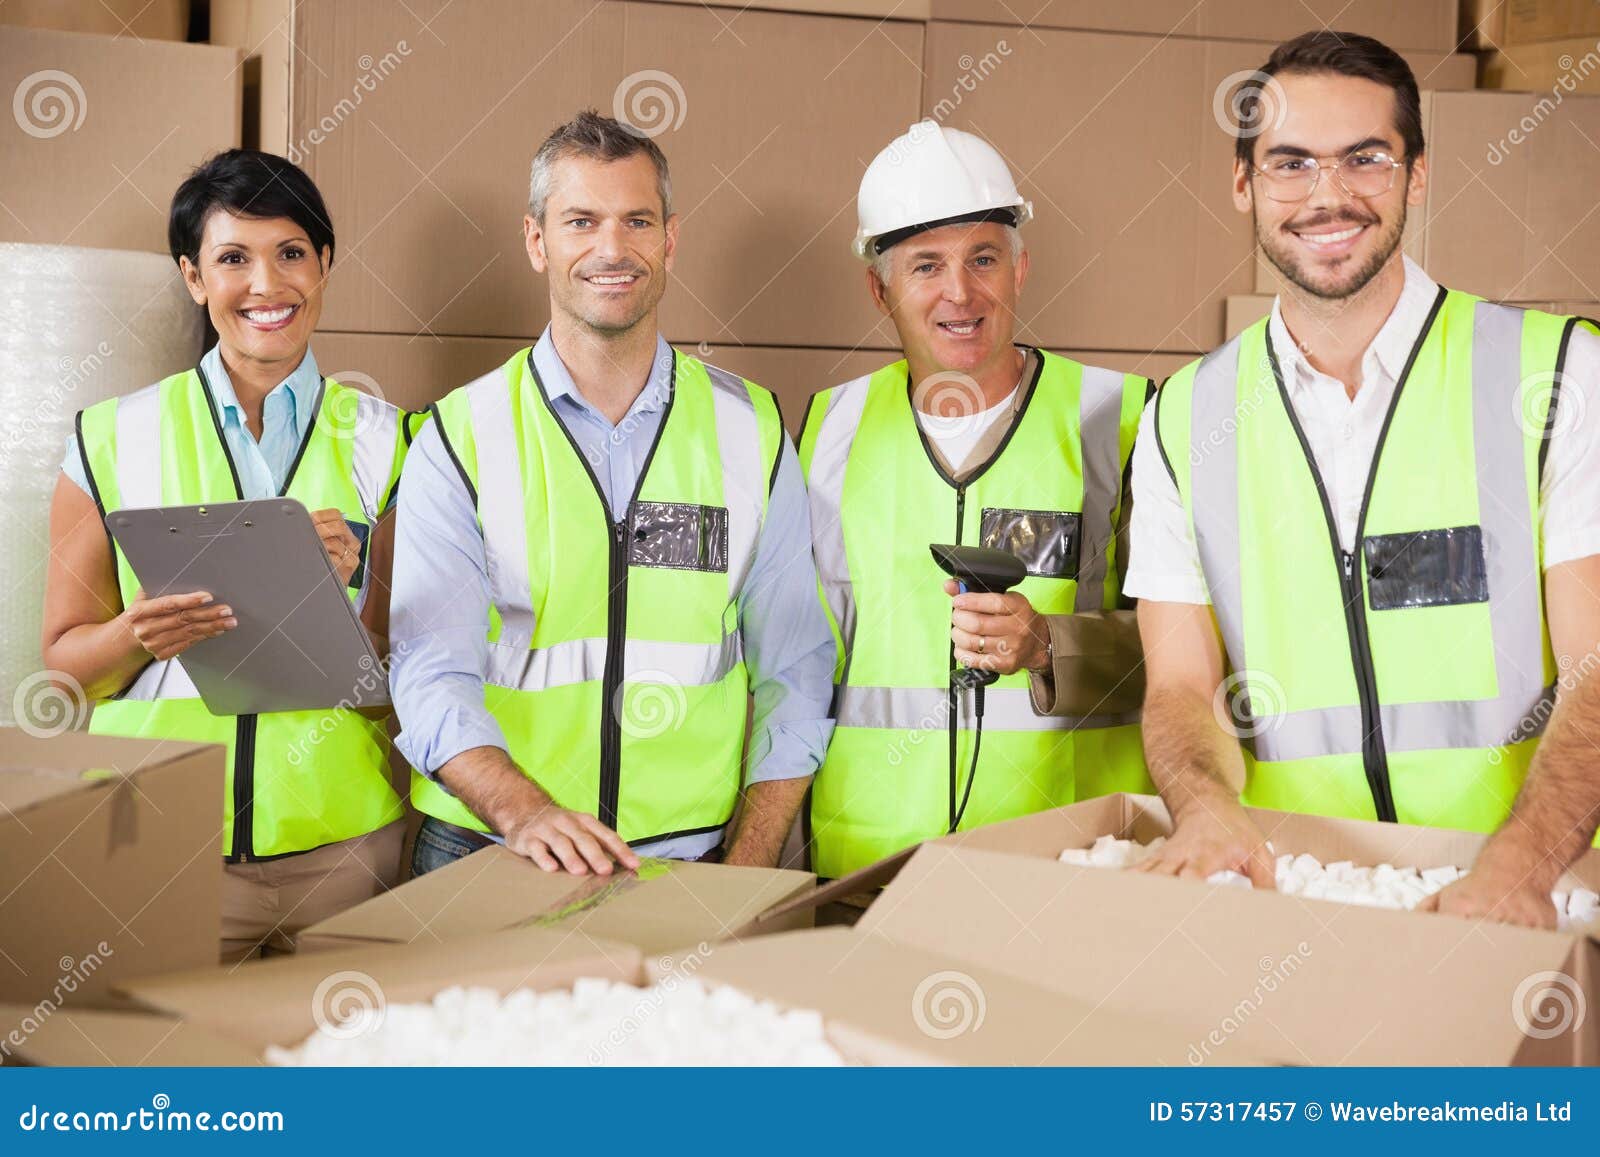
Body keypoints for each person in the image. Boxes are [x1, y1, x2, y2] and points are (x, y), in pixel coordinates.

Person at [1130, 31, 1600, 928]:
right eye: (1291, 164)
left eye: (1366, 159)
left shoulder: (1557, 378)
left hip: (1535, 897)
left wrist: (1520, 865)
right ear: (1244, 184)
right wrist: (1202, 805)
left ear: (1416, 175)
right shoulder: (1183, 419)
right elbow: (1183, 688)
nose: (1328, 195)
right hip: (1293, 901)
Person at [389, 110, 834, 877]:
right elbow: (430, 674)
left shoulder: (751, 430)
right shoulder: (458, 437)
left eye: (636, 220)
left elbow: (796, 666)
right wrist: (527, 812)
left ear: (670, 239)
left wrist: (752, 856)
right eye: (581, 221)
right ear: (537, 241)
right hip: (488, 847)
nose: (611, 248)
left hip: (692, 855)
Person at [43, 149, 412, 961]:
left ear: (324, 265)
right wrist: (142, 632)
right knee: (173, 1085)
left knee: (340, 1083)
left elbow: (409, 682)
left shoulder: (397, 444)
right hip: (159, 850)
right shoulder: (107, 440)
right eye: (232, 258)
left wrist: (356, 584)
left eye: (290, 253)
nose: (266, 285)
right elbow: (65, 672)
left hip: (347, 855)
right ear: (193, 277)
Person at [797, 120, 1152, 881]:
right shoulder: (829, 429)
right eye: (927, 266)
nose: (961, 293)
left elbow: (1194, 651)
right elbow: (796, 661)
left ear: (1021, 268)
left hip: (1067, 862)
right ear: (879, 287)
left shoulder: (1119, 418)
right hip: (869, 861)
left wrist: (1050, 645)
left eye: (983, 258)